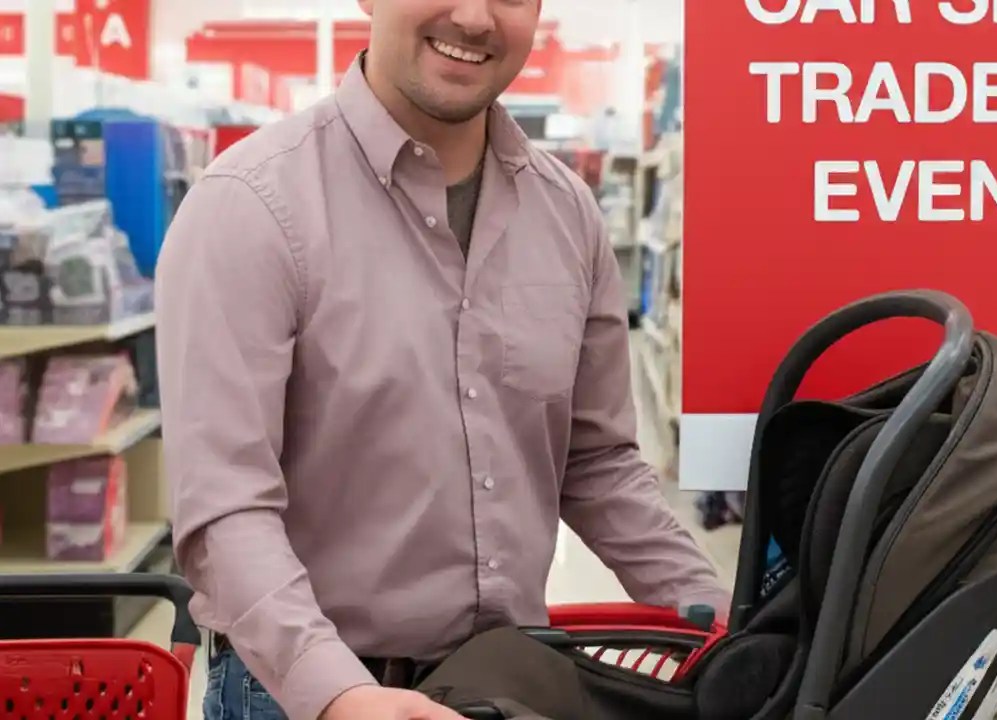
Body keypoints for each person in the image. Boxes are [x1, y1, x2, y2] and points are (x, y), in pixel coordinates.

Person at [153, 1, 730, 718]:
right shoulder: (249, 208)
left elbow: (598, 463)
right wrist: (340, 695)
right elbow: (224, 507)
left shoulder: (567, 215)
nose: (476, 18)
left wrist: (723, 617)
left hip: (506, 679)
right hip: (298, 692)